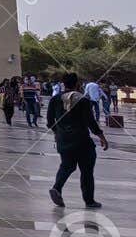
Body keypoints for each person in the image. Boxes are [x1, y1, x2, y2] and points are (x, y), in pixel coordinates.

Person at [46, 71, 108, 208]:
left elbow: (50, 122)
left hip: (63, 140)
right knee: (86, 171)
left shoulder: (55, 99)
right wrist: (101, 136)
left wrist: (58, 133)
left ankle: (57, 187)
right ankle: (89, 200)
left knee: (67, 165)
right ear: (77, 84)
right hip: (82, 141)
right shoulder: (83, 100)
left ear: (63, 84)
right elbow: (90, 122)